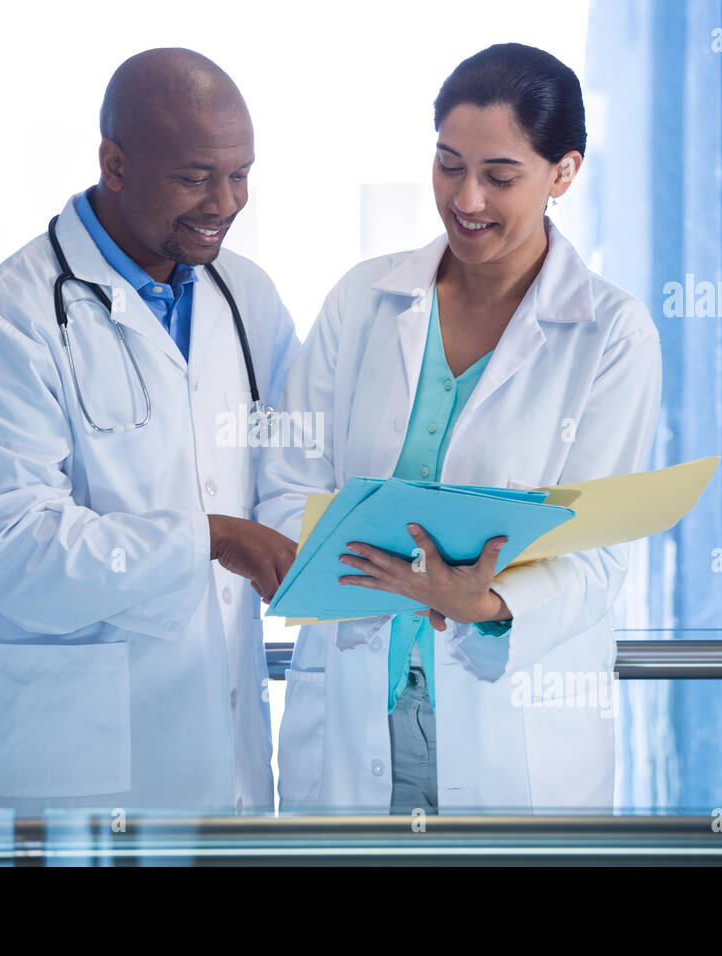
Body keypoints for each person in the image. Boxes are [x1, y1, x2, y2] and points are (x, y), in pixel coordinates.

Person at [258, 43, 662, 813]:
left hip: (513, 732)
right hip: (354, 709)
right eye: (449, 165)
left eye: (500, 176)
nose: (466, 198)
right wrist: (360, 574)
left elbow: (600, 552)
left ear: (563, 174)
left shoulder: (611, 333)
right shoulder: (362, 301)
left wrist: (488, 605)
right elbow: (286, 483)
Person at [0, 48, 300, 813]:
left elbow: (294, 467)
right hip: (69, 776)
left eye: (241, 174)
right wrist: (210, 537)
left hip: (226, 760)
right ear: (116, 164)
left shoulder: (245, 298)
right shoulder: (6, 324)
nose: (226, 202)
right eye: (197, 176)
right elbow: (12, 550)